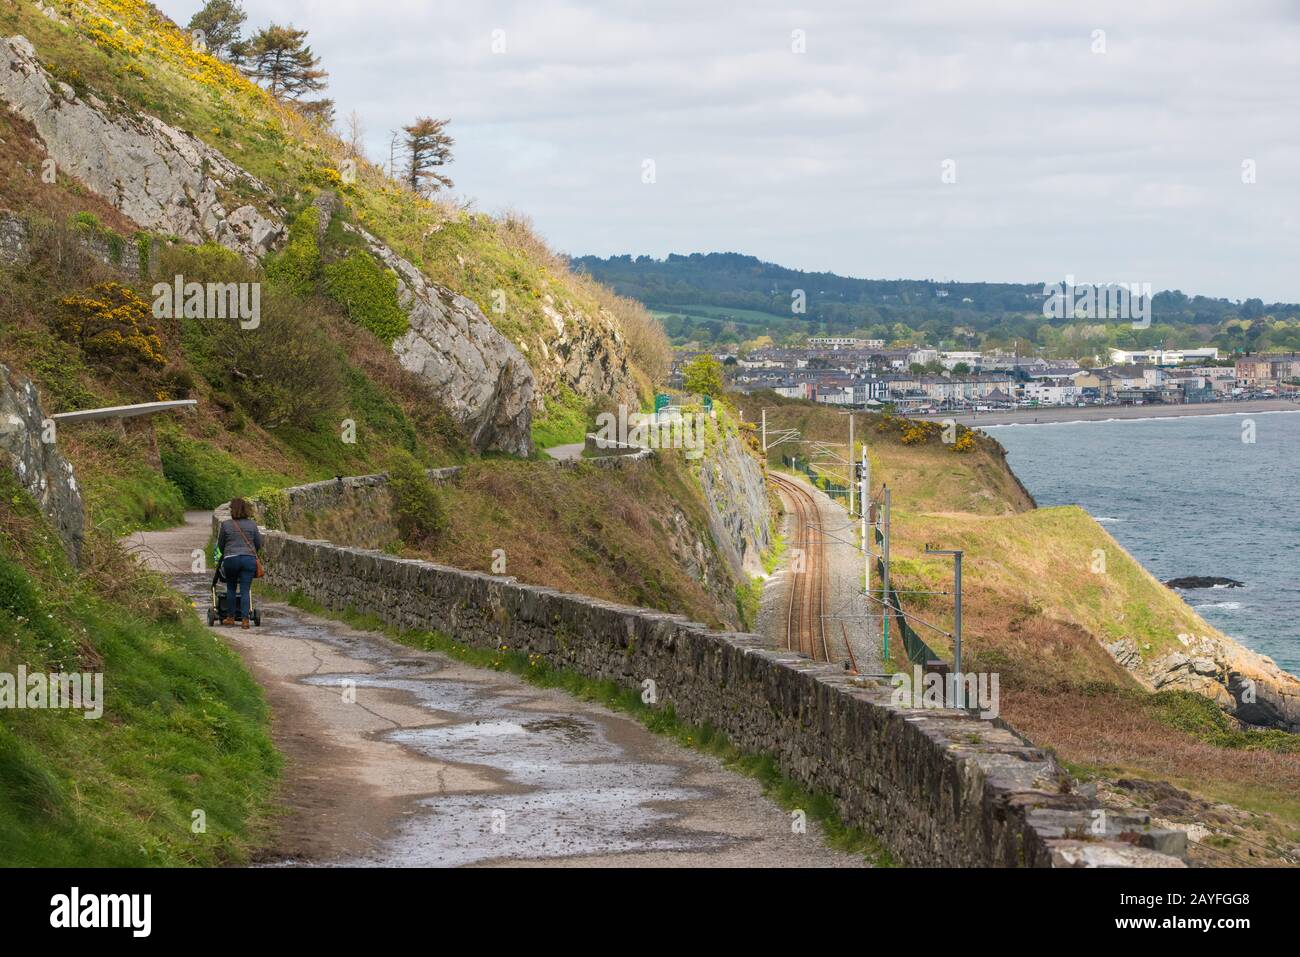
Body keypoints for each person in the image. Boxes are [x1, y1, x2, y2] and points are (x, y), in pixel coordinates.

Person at [217, 498, 263, 629]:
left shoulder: (226, 525)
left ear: (232, 510)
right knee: (245, 590)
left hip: (231, 559)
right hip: (248, 559)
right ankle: (245, 620)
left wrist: (227, 552)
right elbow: (258, 544)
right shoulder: (252, 525)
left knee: (231, 588)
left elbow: (221, 546)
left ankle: (230, 618)